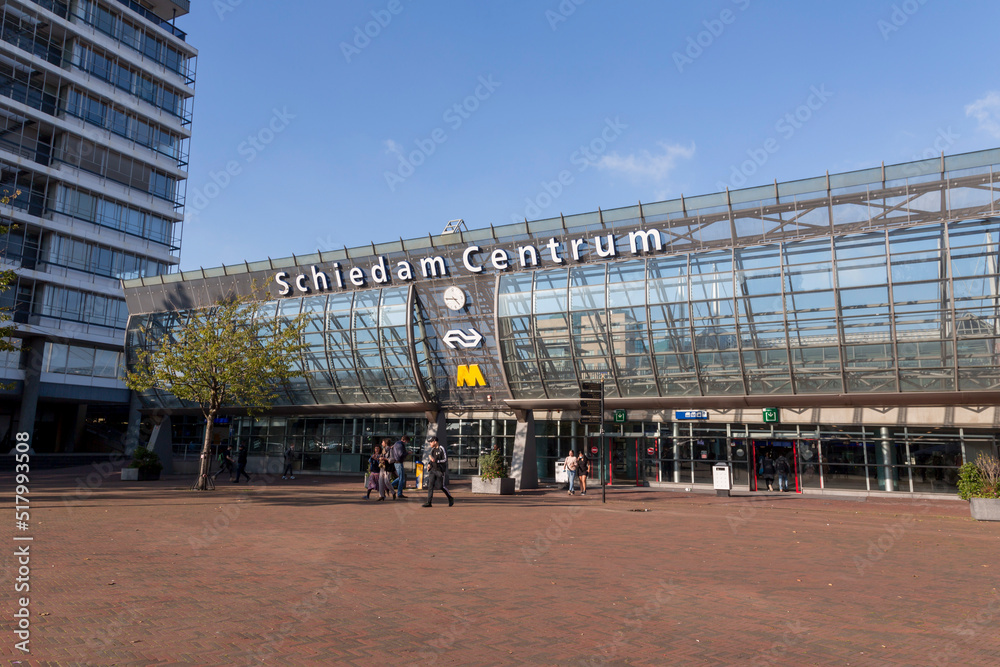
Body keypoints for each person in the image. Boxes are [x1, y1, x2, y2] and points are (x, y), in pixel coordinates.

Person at [422, 436, 453, 507]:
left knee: (440, 486)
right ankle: (429, 502)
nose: (430, 443)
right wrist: (429, 464)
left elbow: (445, 459)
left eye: (431, 442)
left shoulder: (441, 449)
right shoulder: (432, 450)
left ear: (435, 441)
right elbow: (431, 459)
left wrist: (437, 461)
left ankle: (450, 498)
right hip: (433, 470)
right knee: (430, 485)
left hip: (440, 471)